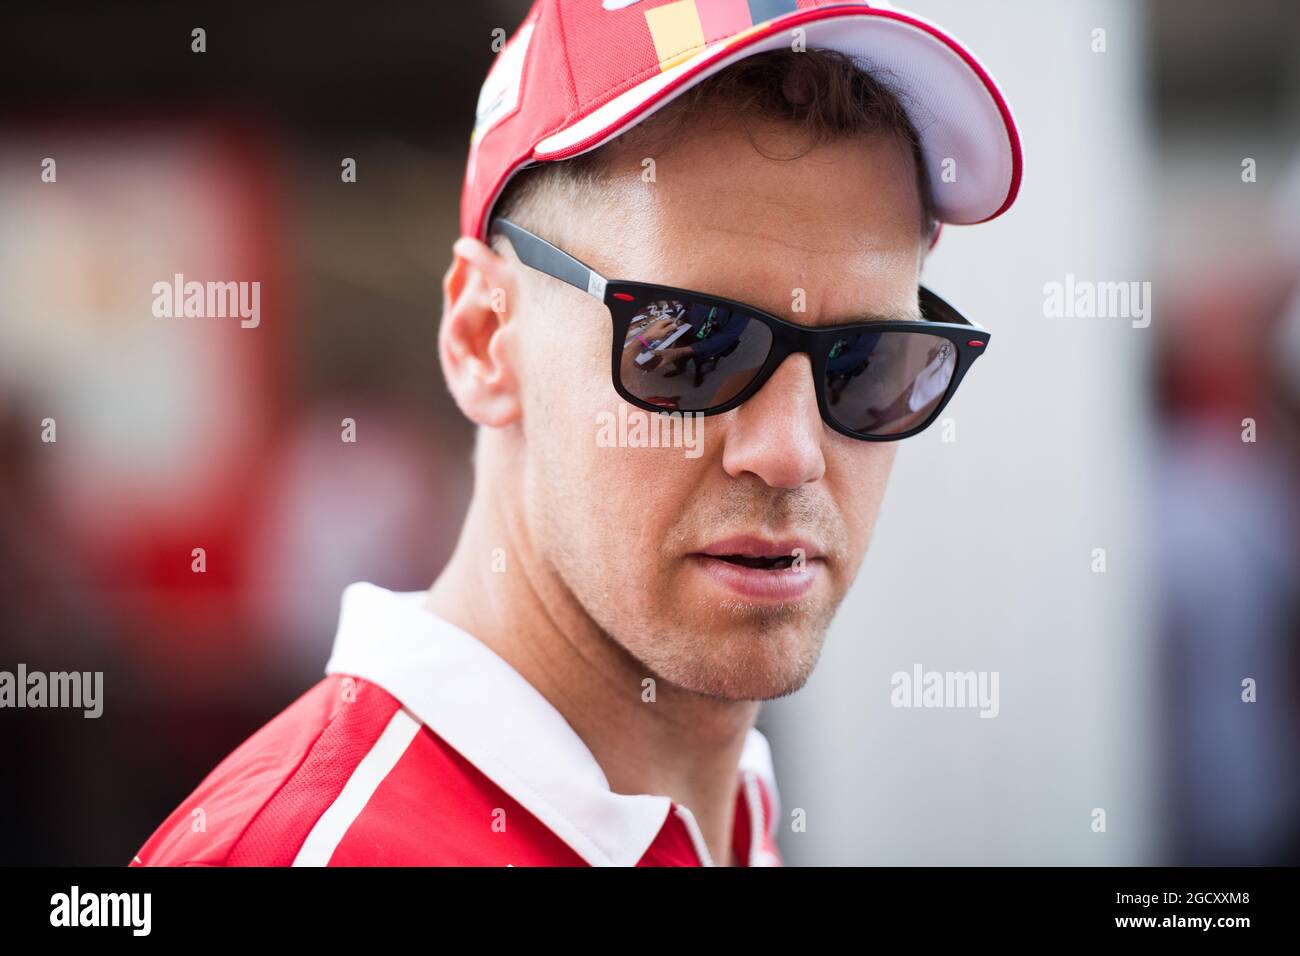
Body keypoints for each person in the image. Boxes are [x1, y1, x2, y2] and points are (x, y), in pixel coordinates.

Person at [131, 0, 1021, 868]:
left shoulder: (725, 826)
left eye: (868, 362)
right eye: (690, 346)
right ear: (484, 338)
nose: (789, 452)